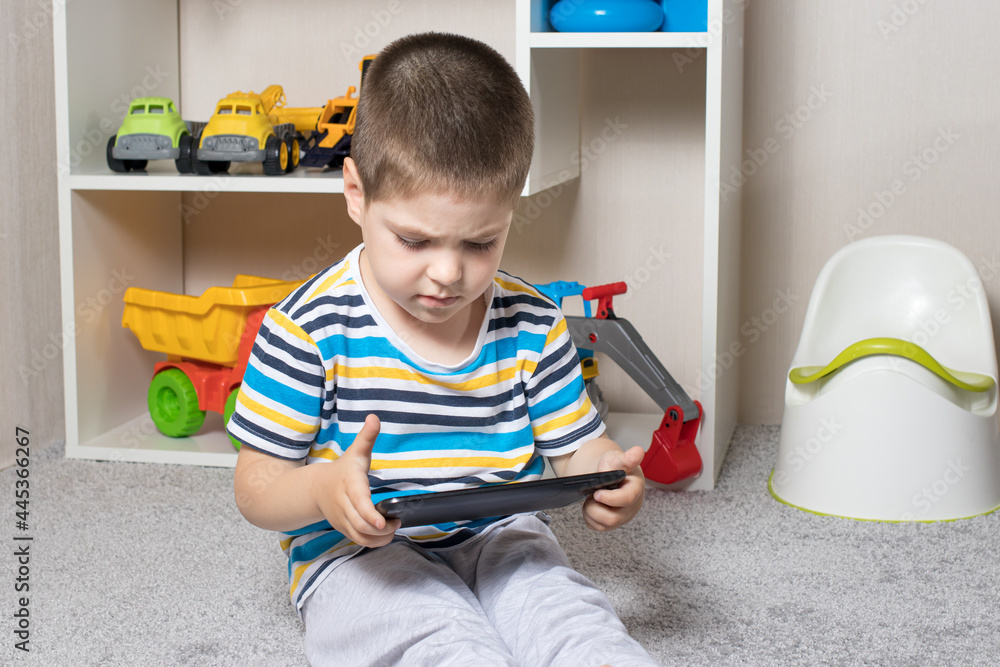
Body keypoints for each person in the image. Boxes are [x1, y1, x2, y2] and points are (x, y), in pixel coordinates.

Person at [230, 32, 660, 667]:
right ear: (356, 194)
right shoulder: (307, 328)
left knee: (575, 624)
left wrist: (608, 473)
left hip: (503, 536)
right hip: (356, 552)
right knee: (439, 642)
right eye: (415, 241)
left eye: (481, 243)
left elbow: (576, 449)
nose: (448, 274)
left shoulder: (534, 322)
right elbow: (256, 488)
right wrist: (322, 490)